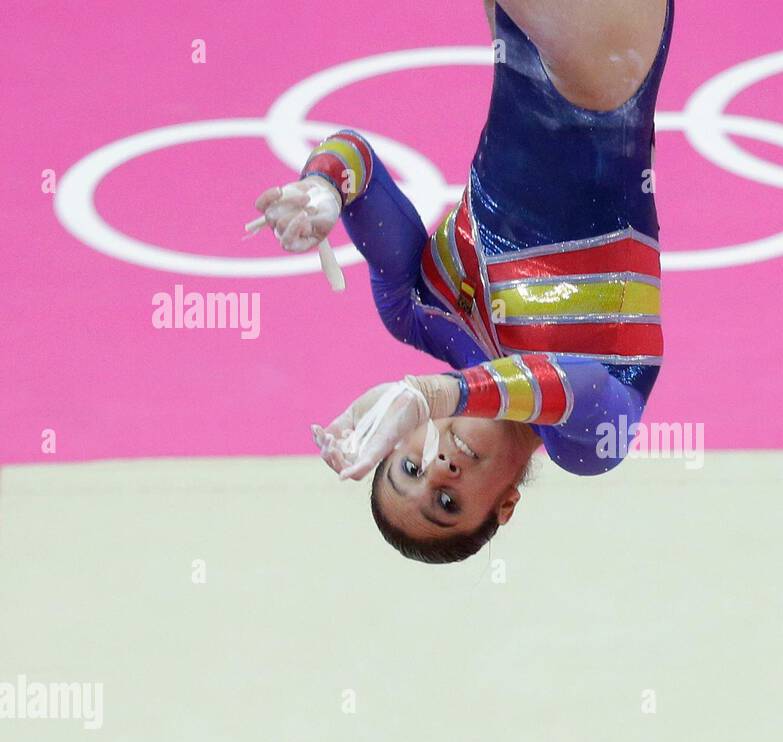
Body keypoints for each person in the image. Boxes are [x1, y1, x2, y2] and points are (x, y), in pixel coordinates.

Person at [255, 0, 673, 563]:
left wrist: (323, 191)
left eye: (408, 468)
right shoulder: (592, 444)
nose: (438, 469)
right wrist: (431, 394)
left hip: (522, 41)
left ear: (394, 437)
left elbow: (353, 154)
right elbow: (572, 383)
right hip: (598, 67)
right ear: (504, 507)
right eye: (447, 501)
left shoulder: (417, 311)